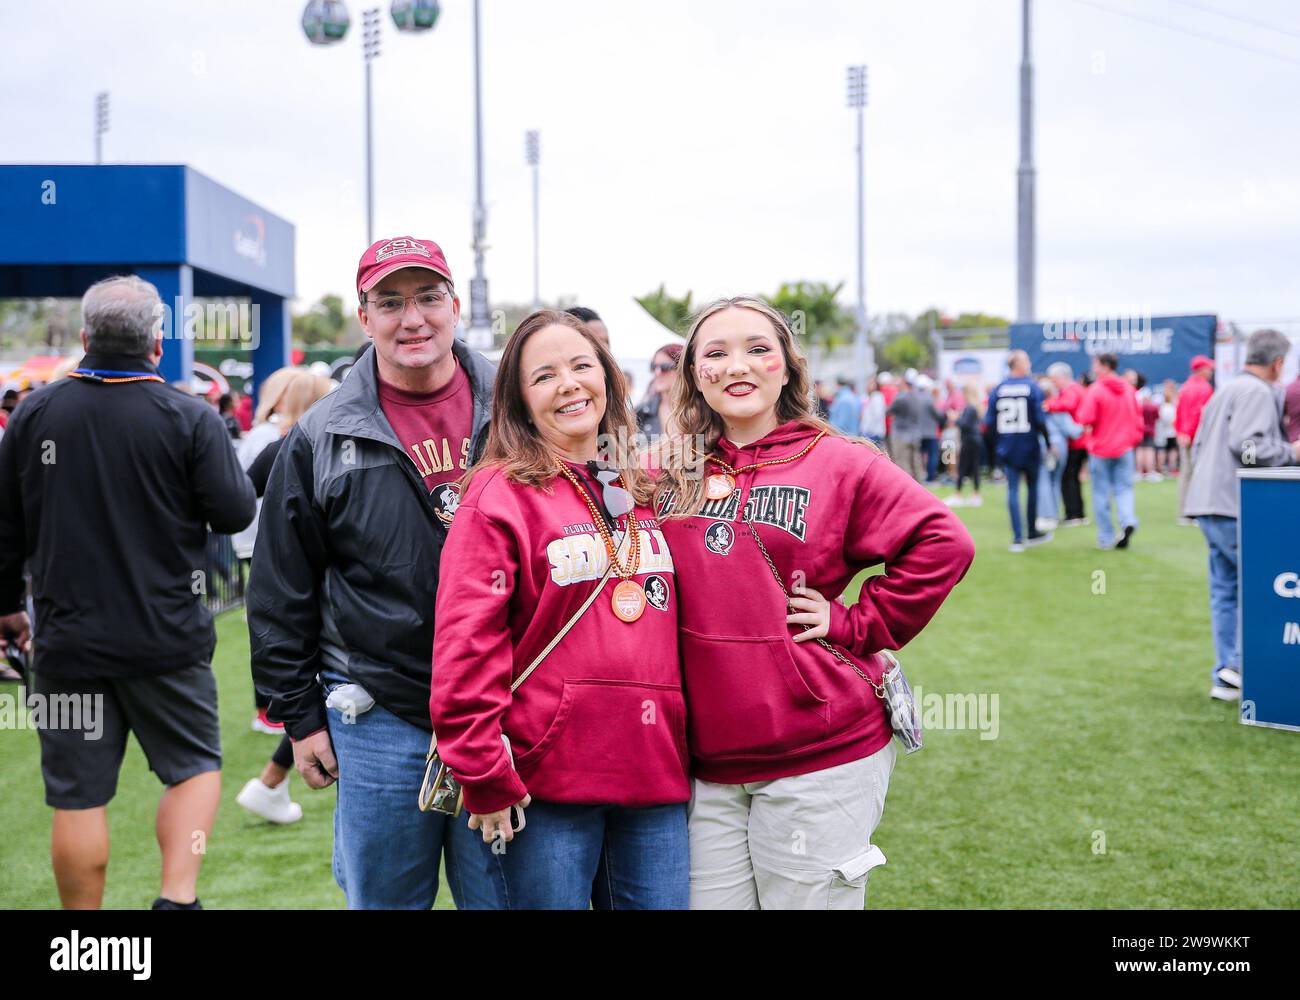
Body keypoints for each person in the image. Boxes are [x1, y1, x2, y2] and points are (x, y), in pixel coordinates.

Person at [653, 296, 974, 909]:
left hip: (819, 752)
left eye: (757, 349)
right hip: (705, 762)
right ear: (694, 373)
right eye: (715, 353)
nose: (736, 365)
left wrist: (858, 621)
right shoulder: (671, 472)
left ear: (786, 367)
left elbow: (943, 542)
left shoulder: (838, 460)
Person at [248, 236, 497, 909]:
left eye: (427, 298)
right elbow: (278, 589)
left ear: (455, 307)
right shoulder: (322, 432)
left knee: (507, 901)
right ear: (364, 317)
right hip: (380, 712)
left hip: (506, 706)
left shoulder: (516, 408)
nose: (411, 319)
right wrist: (299, 719)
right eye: (390, 302)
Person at [0, 275, 256, 910]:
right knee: (195, 768)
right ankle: (177, 899)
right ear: (158, 345)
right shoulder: (189, 417)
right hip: (165, 638)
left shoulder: (34, 412)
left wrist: (7, 607)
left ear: (84, 338)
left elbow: (4, 525)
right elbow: (233, 513)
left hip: (66, 640)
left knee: (78, 796)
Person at [430, 310, 688, 909]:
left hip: (655, 775)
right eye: (544, 376)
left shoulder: (644, 483)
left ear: (607, 376)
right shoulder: (497, 492)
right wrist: (483, 770)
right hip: (545, 785)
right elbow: (466, 642)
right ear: (518, 401)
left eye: (581, 365)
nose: (569, 384)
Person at [234, 369, 335, 825]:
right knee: (326, 678)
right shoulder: (312, 445)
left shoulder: (285, 444)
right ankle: (272, 774)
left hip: (278, 569)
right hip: (306, 579)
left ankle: (272, 775)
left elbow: (235, 499)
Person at [1184, 329, 1300, 702]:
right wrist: (1291, 452)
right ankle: (1243, 669)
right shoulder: (1256, 391)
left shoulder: (1227, 388)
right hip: (1234, 503)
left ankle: (1227, 672)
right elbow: (1248, 447)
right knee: (1259, 588)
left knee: (1225, 590)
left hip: (1208, 500)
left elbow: (1203, 443)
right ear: (1278, 363)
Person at [1075, 353, 1143, 550]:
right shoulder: (1129, 390)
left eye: (1095, 365)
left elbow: (1085, 418)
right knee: (1124, 489)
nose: (1093, 369)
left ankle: (1105, 536)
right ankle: (1128, 520)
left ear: (1104, 366)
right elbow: (1137, 419)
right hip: (1124, 448)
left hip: (1101, 448)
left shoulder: (1096, 390)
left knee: (1101, 493)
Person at [987, 350, 1052, 552]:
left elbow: (989, 422)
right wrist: (1048, 442)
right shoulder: (1033, 387)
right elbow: (1040, 420)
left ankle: (1017, 537)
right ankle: (1030, 531)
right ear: (1017, 364)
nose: (1030, 363)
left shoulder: (998, 388)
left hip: (1008, 445)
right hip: (1029, 444)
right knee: (1031, 488)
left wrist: (998, 445)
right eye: (1026, 360)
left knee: (1013, 489)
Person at [1043, 362, 1089, 526]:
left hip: (1077, 442)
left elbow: (1067, 405)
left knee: (1069, 478)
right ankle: (1077, 513)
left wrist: (1047, 405)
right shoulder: (1073, 389)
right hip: (1077, 440)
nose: (1053, 383)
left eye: (1054, 379)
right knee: (1072, 478)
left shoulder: (1071, 390)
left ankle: (1073, 513)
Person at [1175, 355, 1215, 525]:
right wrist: (1188, 433)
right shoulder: (1204, 388)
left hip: (1185, 435)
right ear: (1201, 369)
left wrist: (1181, 432)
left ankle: (1186, 512)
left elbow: (1180, 413)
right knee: (1195, 474)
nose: (1211, 371)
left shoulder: (1185, 387)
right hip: (1196, 437)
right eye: (1208, 368)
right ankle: (1191, 512)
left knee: (1186, 473)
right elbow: (1199, 415)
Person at [886, 373, 942, 482]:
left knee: (903, 461)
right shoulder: (920, 397)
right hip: (916, 434)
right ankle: (921, 483)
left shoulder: (900, 397)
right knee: (917, 461)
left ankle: (906, 484)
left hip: (901, 434)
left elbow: (888, 411)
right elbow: (937, 414)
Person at [634, 342, 683, 439]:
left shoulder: (704, 411)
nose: (657, 372)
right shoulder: (641, 411)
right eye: (653, 367)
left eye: (664, 367)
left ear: (682, 369)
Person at [948, 381, 984, 506]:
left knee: (963, 467)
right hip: (975, 439)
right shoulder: (973, 407)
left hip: (969, 440)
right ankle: (976, 494)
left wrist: (954, 418)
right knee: (974, 468)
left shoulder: (970, 407)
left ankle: (958, 494)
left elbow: (964, 425)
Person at [1155, 380, 1178, 476]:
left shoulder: (1163, 406)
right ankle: (1170, 468)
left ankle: (1163, 468)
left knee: (1164, 450)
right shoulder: (1171, 406)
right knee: (1170, 450)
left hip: (1165, 432)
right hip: (1170, 431)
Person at [860, 375, 887, 448]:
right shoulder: (867, 396)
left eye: (872, 383)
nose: (869, 385)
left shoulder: (877, 397)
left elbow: (877, 415)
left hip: (874, 432)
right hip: (868, 431)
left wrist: (870, 430)